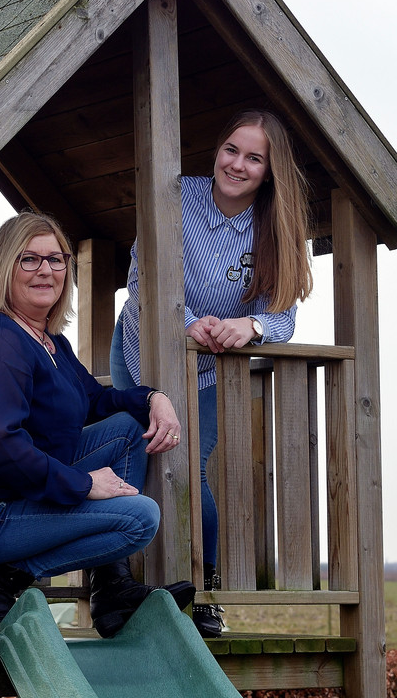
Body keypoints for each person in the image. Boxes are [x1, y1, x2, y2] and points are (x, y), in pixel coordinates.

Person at [110, 108, 314, 637]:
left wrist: (248, 325)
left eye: (254, 158)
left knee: (187, 464)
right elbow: (140, 279)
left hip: (211, 370)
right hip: (142, 346)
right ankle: (111, 587)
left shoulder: (278, 229)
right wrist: (185, 324)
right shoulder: (176, 196)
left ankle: (205, 594)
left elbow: (284, 317)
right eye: (231, 150)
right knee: (126, 453)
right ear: (217, 150)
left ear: (270, 171)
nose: (238, 165)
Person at [0, 210, 195, 636]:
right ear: (4, 266)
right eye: (29, 259)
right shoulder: (0, 341)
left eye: (56, 259)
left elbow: (97, 401)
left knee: (127, 430)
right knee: (139, 517)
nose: (46, 271)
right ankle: (2, 579)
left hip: (32, 499)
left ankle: (113, 588)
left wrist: (152, 398)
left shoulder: (50, 341)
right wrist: (86, 485)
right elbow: (1, 443)